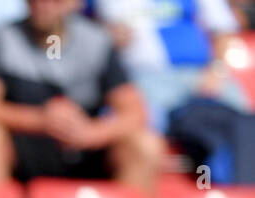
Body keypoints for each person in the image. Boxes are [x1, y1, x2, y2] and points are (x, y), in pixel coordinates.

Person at [0, 0, 162, 190]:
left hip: (86, 152)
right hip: (24, 148)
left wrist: (92, 133)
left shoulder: (96, 41)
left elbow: (135, 112)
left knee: (144, 144)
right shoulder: (4, 38)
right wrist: (38, 120)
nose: (44, 5)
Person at [95, 0, 249, 132]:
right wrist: (109, 36)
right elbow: (87, 30)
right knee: (134, 125)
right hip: (143, 79)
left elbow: (223, 30)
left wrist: (216, 71)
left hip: (201, 75)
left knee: (244, 123)